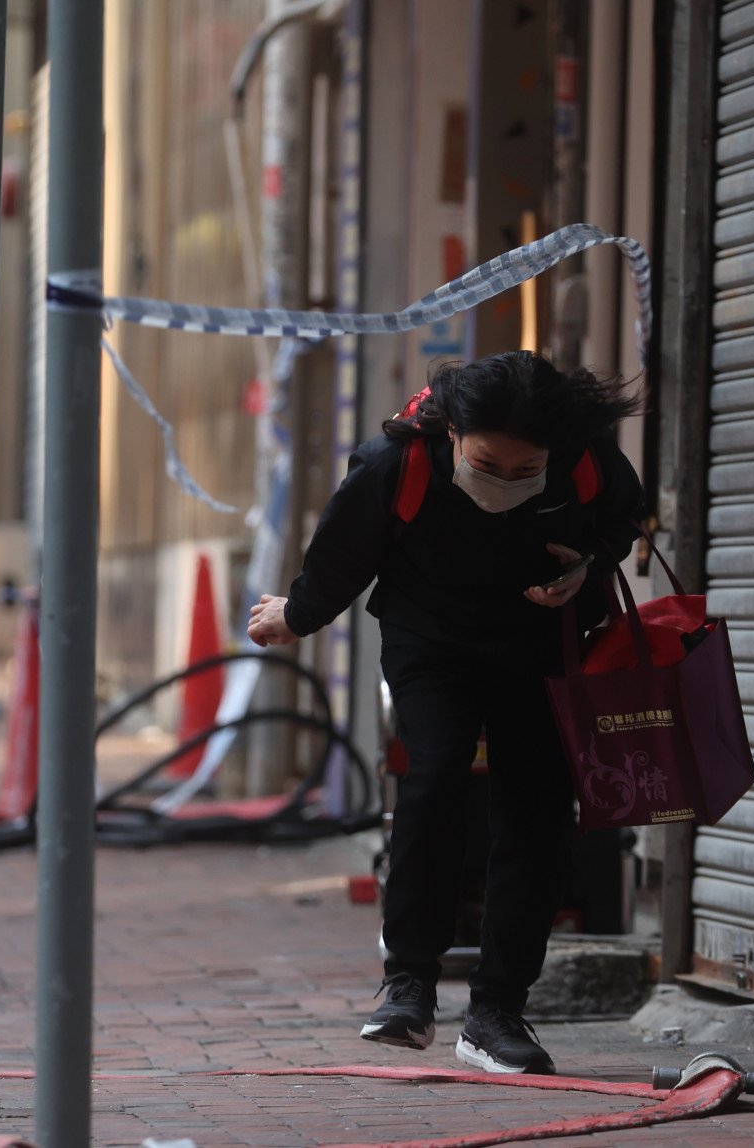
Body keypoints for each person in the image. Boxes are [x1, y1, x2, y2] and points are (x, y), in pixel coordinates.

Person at [247, 350, 642, 1075]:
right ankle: (408, 985)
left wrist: (587, 564)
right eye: (489, 465)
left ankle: (496, 1011)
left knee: (539, 809)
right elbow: (344, 549)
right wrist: (297, 617)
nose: (507, 483)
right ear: (453, 433)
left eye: (527, 471)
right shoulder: (396, 462)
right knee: (431, 777)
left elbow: (621, 518)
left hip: (543, 645)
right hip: (431, 640)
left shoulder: (585, 457)